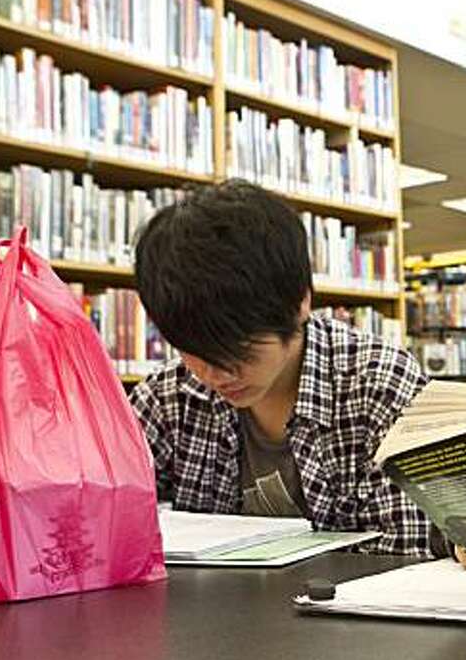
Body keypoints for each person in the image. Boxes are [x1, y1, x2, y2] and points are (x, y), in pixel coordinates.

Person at [129, 179, 439, 556]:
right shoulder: (165, 400)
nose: (216, 375)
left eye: (239, 350)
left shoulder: (379, 385)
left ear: (300, 303)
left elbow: (407, 559)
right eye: (195, 351)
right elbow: (111, 530)